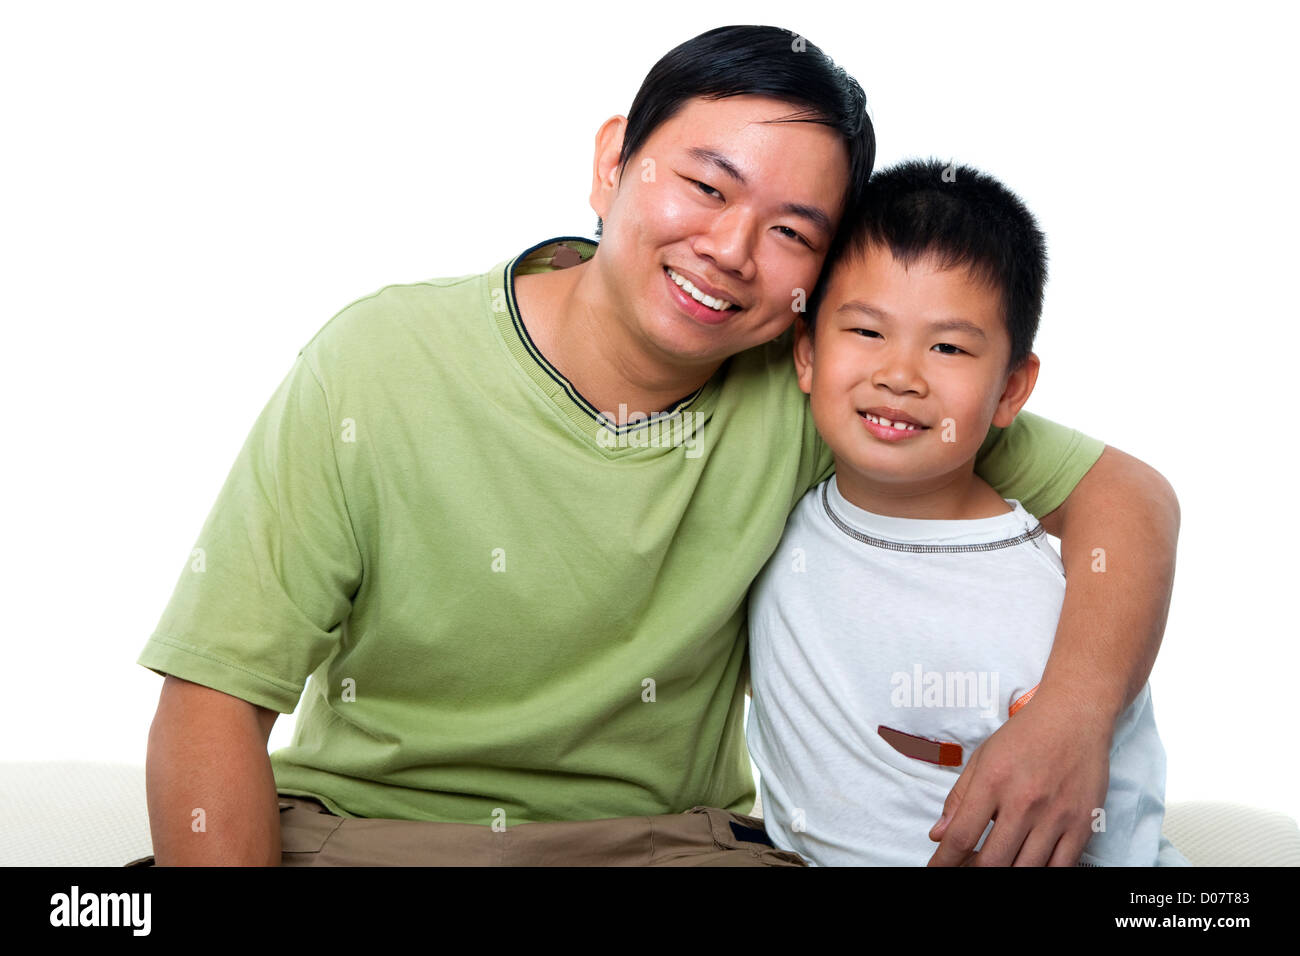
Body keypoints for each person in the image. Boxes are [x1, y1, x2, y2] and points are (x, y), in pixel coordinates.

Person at [131, 26, 1180, 867]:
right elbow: (213, 697)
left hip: (671, 845)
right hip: (366, 832)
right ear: (612, 160)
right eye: (707, 186)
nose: (729, 251)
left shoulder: (813, 384)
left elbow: (1123, 496)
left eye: (792, 232)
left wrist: (1074, 715)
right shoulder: (379, 357)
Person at [746, 158, 1189, 866]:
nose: (900, 375)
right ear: (805, 353)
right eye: (865, 332)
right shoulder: (777, 515)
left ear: (1012, 389)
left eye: (948, 347)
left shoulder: (1046, 610)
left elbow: (1114, 822)